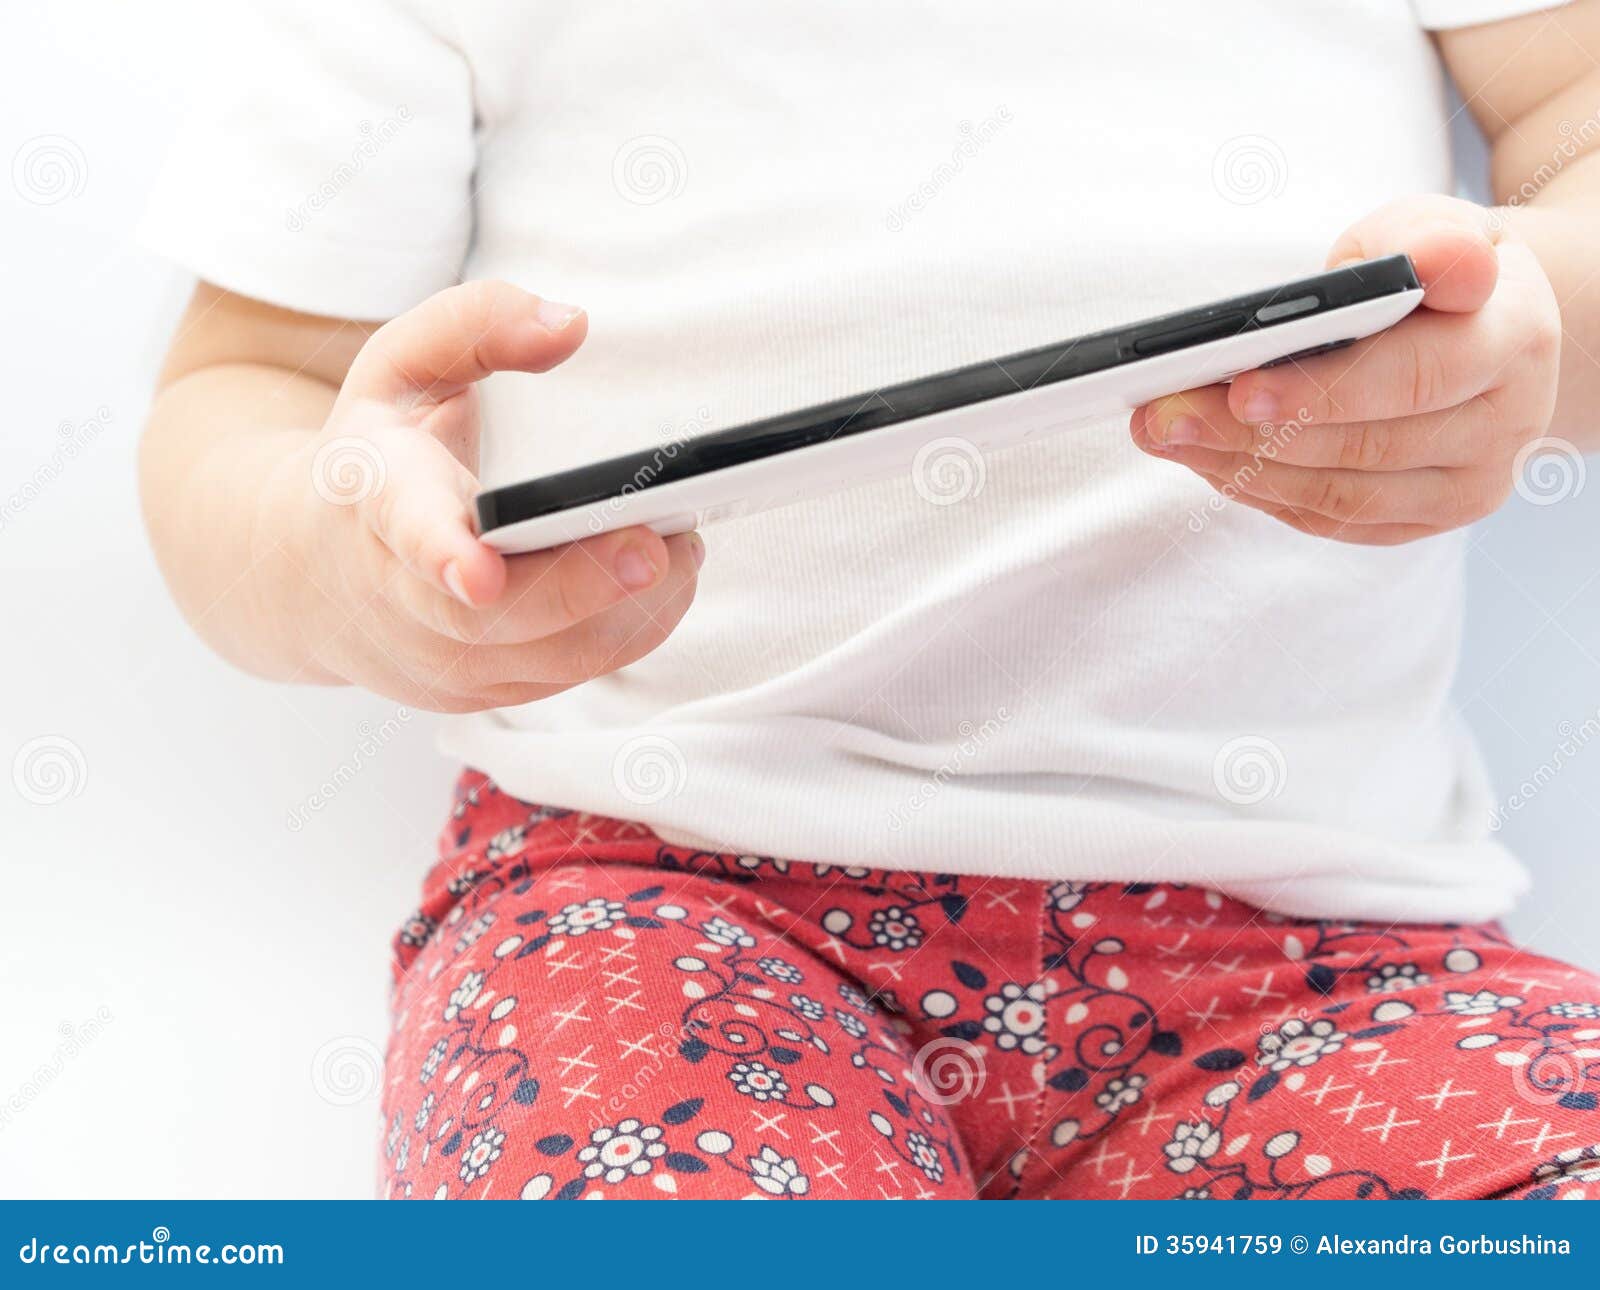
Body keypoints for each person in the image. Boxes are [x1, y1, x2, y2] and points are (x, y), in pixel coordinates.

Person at [140, 0, 1600, 1198]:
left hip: (1334, 951)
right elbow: (251, 386)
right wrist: (350, 561)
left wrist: (1528, 329)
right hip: (659, 898)